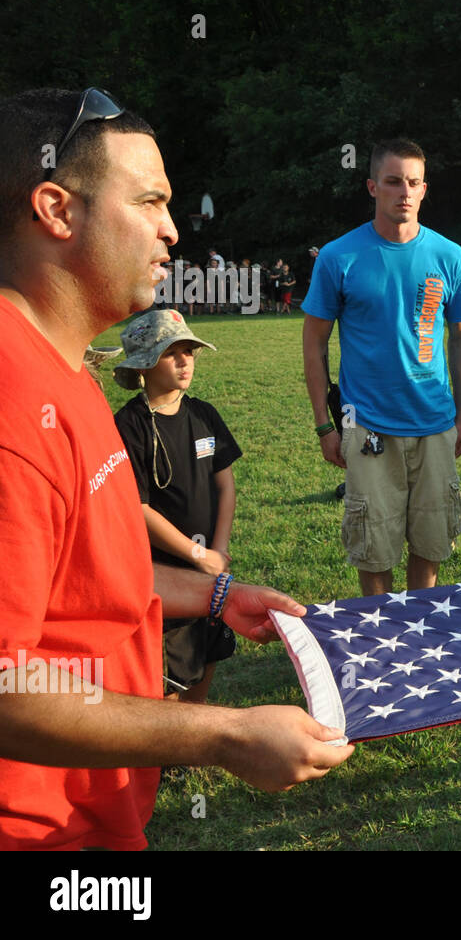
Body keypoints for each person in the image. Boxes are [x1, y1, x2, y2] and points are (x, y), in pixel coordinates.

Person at [0, 87, 352, 851]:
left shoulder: (70, 371)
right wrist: (222, 736)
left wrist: (216, 592)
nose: (172, 229)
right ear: (57, 210)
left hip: (102, 816)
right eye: (150, 201)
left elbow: (89, 576)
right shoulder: (11, 405)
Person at [302, 138, 461, 597]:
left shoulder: (449, 256)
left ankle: (416, 629)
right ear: (372, 186)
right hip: (367, 426)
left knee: (432, 540)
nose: (404, 192)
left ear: (424, 189)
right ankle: (381, 638)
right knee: (373, 546)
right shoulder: (341, 256)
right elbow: (314, 341)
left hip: (434, 424)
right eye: (394, 181)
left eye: (413, 183)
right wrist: (325, 425)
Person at [113, 309, 240, 704]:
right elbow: (138, 507)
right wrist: (195, 554)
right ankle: (167, 751)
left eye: (190, 351)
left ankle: (195, 722)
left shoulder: (204, 414)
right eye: (173, 353)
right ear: (146, 364)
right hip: (162, 568)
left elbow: (226, 484)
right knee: (170, 661)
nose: (186, 361)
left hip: (209, 560)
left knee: (209, 642)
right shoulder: (129, 425)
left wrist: (217, 550)